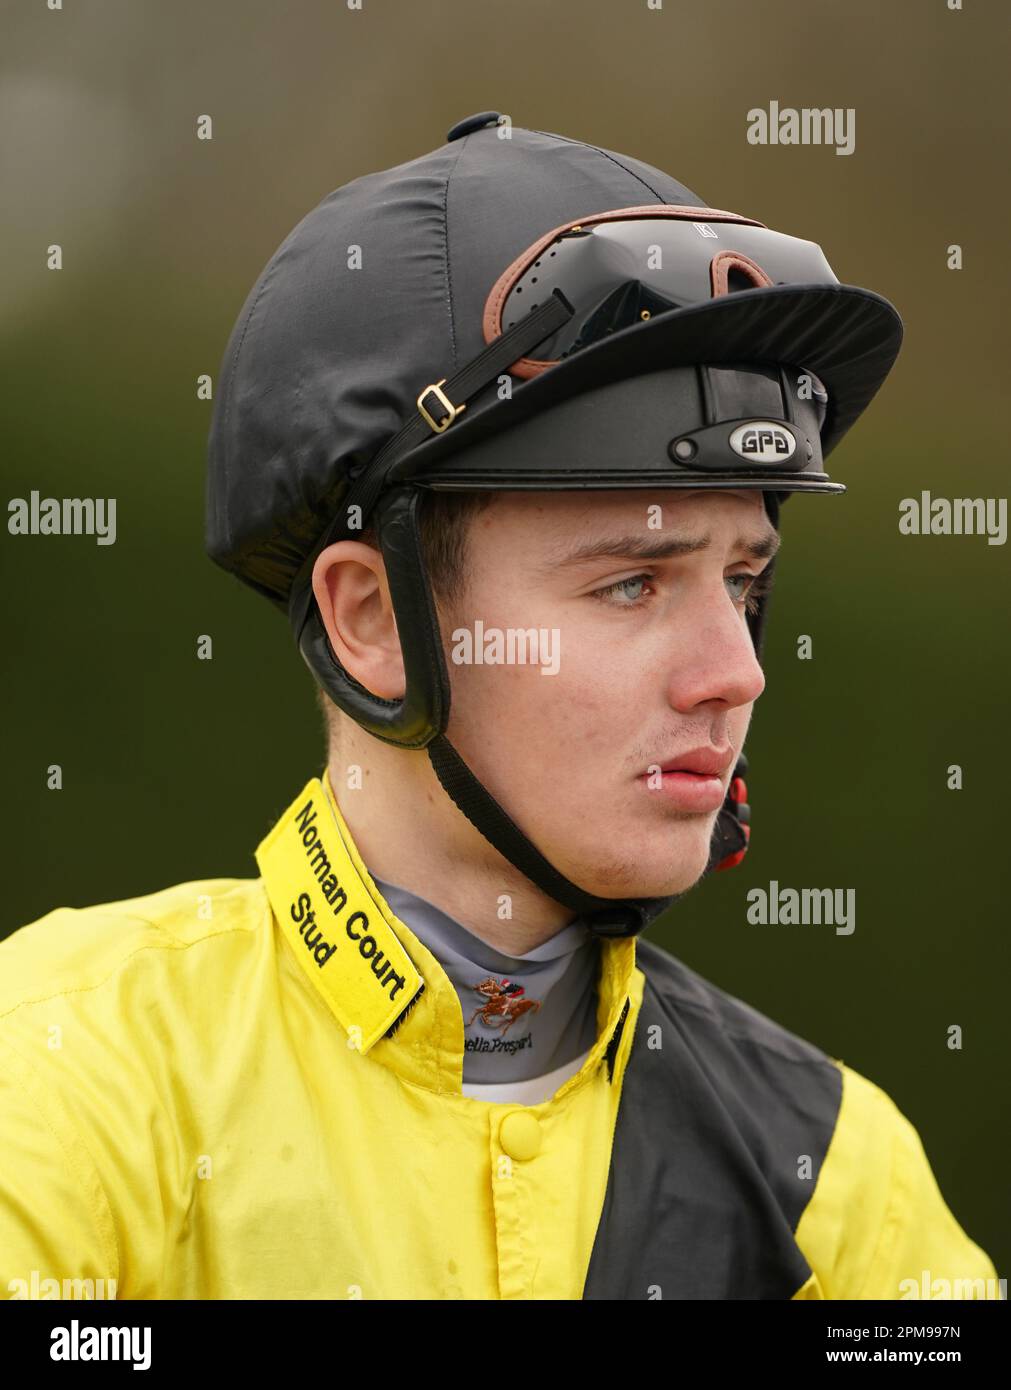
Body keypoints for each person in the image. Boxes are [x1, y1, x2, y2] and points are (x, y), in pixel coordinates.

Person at [1, 113, 999, 1301]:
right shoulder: (63, 1061)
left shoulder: (838, 1162)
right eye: (633, 581)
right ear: (371, 619)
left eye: (744, 582)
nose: (737, 670)